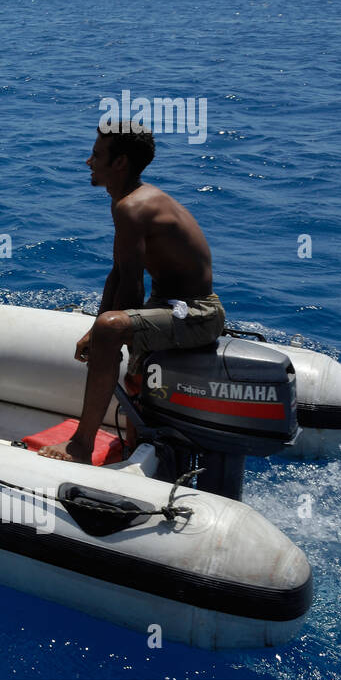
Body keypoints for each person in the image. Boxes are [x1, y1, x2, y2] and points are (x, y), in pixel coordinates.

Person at [40, 122, 225, 462]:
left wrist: (105, 333)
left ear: (120, 162)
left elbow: (132, 284)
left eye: (96, 155)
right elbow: (118, 274)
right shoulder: (125, 202)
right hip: (167, 306)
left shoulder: (133, 207)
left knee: (112, 329)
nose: (88, 162)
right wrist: (97, 326)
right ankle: (140, 447)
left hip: (198, 315)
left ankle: (81, 444)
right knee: (115, 338)